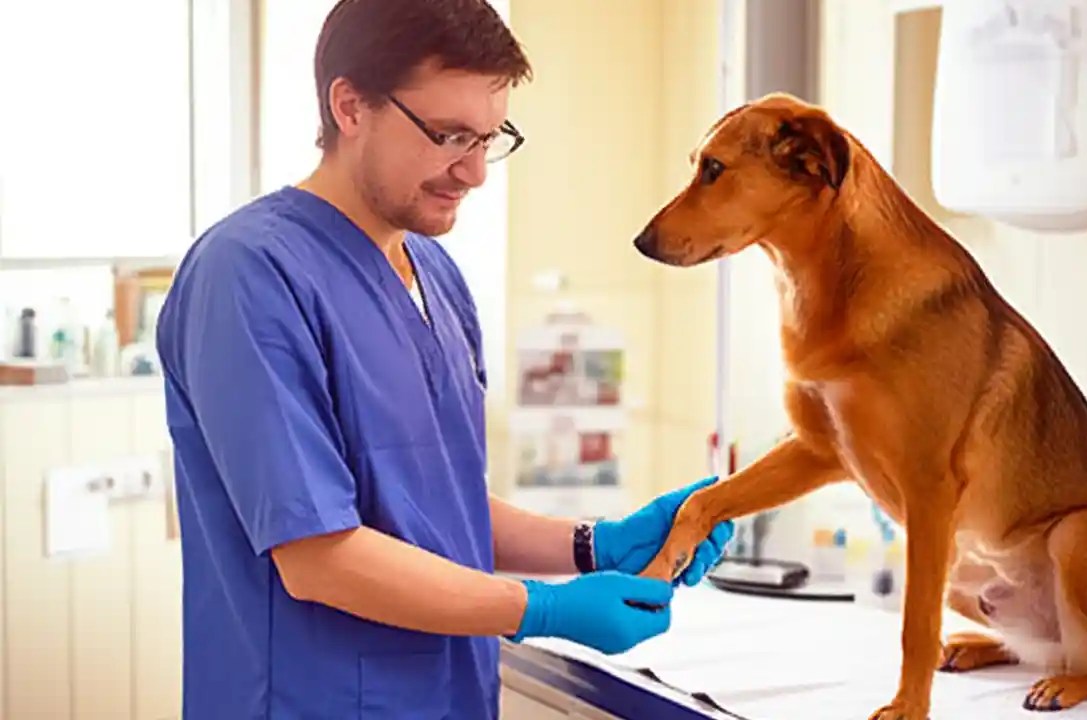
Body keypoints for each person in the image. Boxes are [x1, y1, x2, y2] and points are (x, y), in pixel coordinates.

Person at [154, 1, 734, 718]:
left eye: (489, 138)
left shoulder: (436, 275)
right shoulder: (249, 274)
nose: (475, 172)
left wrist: (593, 546)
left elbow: (435, 503)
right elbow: (317, 556)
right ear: (349, 105)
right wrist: (542, 608)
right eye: (449, 135)